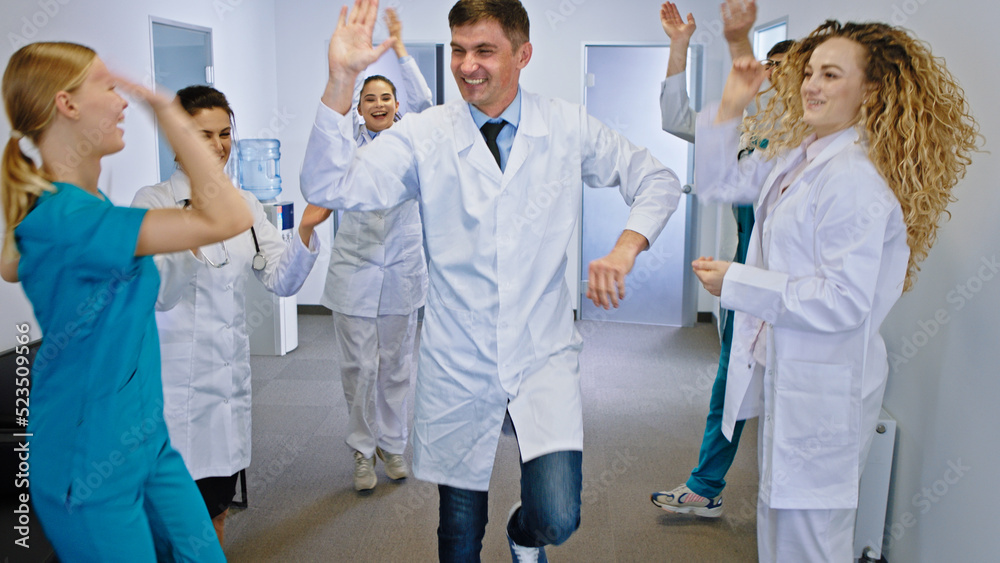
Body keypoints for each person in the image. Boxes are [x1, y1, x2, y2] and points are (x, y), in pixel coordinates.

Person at [301, 1, 682, 560]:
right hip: (459, 358)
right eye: (458, 50)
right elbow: (331, 186)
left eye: (484, 50)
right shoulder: (424, 135)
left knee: (556, 516)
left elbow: (658, 179)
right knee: (458, 536)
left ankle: (523, 534)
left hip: (541, 352)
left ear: (523, 54)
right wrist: (340, 80)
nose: (466, 65)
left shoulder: (565, 124)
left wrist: (626, 247)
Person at [691, 21, 978, 561]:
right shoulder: (804, 155)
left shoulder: (853, 178)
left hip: (822, 389)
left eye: (831, 74)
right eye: (811, 72)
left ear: (869, 90)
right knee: (781, 533)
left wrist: (739, 282)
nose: (811, 85)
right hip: (792, 372)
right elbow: (718, 184)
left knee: (810, 545)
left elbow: (844, 301)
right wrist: (729, 107)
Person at [1, 42, 254, 561]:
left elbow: (12, 263)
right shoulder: (73, 218)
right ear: (67, 105)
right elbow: (228, 217)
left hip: (145, 438)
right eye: (109, 87)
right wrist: (167, 111)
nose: (122, 103)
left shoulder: (76, 206)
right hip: (87, 461)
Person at [131, 85, 328, 545]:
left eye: (224, 134)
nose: (218, 146)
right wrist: (193, 228)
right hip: (175, 390)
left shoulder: (244, 205)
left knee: (216, 512)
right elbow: (159, 294)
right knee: (172, 520)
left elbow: (281, 280)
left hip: (226, 388)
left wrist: (305, 231)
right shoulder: (152, 201)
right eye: (203, 135)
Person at [651, 0, 795, 517]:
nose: (776, 80)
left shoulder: (817, 144)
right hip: (747, 283)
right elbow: (676, 118)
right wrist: (678, 47)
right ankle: (706, 484)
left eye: (787, 71)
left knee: (791, 399)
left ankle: (788, 504)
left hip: (799, 291)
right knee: (729, 385)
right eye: (770, 69)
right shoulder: (751, 132)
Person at [322, 8, 433, 492]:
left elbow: (426, 103)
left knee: (397, 366)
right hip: (355, 272)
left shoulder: (414, 139)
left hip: (402, 270)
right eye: (371, 98)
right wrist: (347, 72)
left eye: (387, 97)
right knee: (359, 368)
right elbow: (333, 120)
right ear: (360, 107)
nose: (381, 103)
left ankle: (393, 445)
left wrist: (401, 48)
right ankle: (362, 452)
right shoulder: (348, 141)